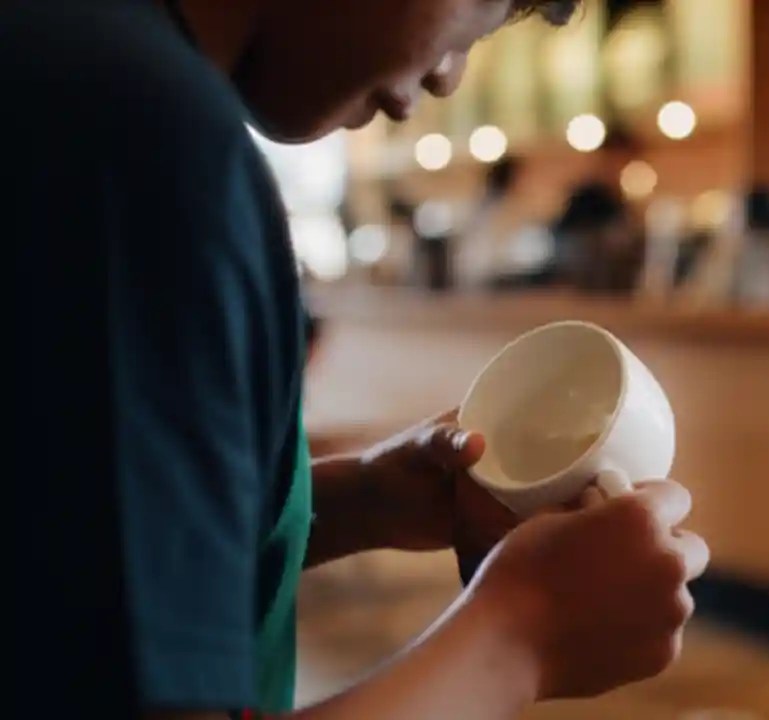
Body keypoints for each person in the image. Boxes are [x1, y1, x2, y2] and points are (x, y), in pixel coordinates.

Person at [7, 1, 708, 719]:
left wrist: (357, 499)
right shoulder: (147, 146)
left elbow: (63, 556)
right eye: (486, 12)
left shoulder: (67, 62)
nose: (449, 75)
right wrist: (517, 636)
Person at [554, 129, 645, 293]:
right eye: (623, 158)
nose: (624, 164)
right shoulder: (588, 194)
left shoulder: (616, 196)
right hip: (586, 283)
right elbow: (568, 240)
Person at [455, 156, 556, 291]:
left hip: (480, 278)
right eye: (521, 177)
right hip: (500, 279)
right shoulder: (508, 208)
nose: (525, 182)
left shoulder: (480, 207)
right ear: (512, 178)